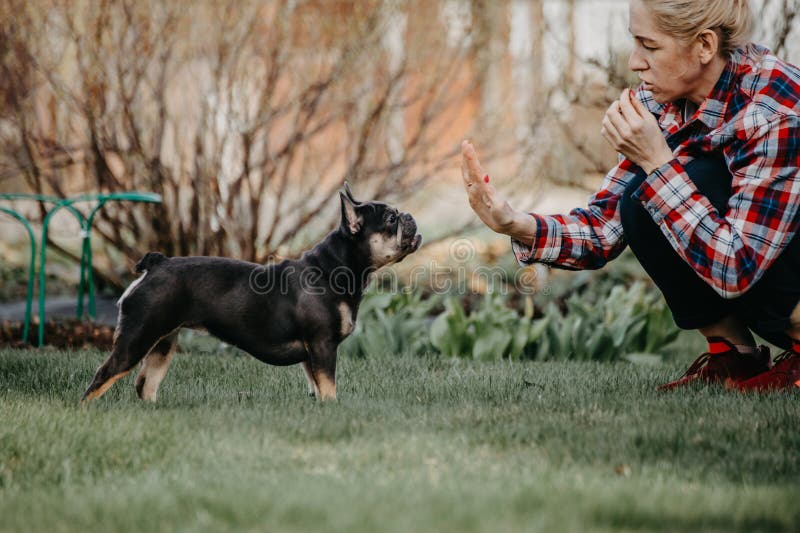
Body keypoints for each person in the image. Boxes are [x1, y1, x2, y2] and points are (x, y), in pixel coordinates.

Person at [461, 0, 800, 390]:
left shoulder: (774, 111)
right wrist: (516, 223)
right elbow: (607, 227)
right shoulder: (667, 99)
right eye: (634, 43)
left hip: (765, 272)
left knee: (671, 183)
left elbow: (737, 268)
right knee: (645, 198)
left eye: (649, 46)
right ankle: (733, 358)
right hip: (753, 275)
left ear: (704, 45)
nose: (635, 61)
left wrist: (658, 162)